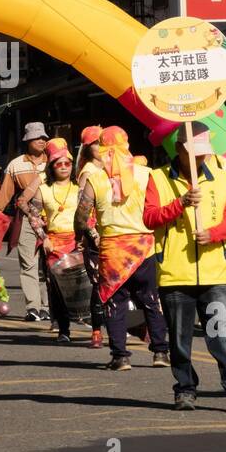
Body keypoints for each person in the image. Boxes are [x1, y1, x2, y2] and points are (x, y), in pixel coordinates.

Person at [144, 129, 226, 410]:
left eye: (204, 151)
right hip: (174, 273)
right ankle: (185, 389)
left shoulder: (218, 174)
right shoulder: (157, 178)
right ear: (178, 149)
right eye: (194, 152)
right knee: (180, 339)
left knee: (222, 332)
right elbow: (150, 217)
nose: (201, 157)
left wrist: (215, 234)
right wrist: (180, 204)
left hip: (213, 270)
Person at [75, 126, 169, 371]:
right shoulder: (147, 173)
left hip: (113, 250)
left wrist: (80, 235)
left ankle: (120, 356)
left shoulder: (96, 177)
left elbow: (82, 215)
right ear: (127, 144)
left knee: (115, 302)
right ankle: (160, 352)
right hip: (144, 247)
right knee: (150, 300)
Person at [18, 138, 80, 342]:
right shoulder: (43, 189)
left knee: (85, 287)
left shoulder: (81, 188)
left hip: (77, 242)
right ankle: (63, 329)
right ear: (52, 167)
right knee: (58, 290)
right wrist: (43, 237)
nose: (63, 167)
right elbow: (33, 215)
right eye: (58, 163)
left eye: (67, 163)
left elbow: (90, 216)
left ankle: (94, 326)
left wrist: (88, 237)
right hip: (54, 243)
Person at [0, 123, 50, 323]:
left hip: (52, 219)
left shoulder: (54, 161)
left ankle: (47, 306)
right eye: (37, 138)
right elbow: (4, 197)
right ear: (27, 141)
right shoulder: (15, 165)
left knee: (48, 265)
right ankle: (33, 308)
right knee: (29, 263)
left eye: (44, 137)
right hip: (27, 219)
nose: (42, 141)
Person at [74, 125, 107, 348]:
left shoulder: (111, 166)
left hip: (114, 231)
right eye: (96, 143)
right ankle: (96, 330)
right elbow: (83, 209)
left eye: (102, 141)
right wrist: (92, 234)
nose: (100, 146)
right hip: (96, 236)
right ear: (88, 147)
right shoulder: (88, 171)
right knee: (98, 283)